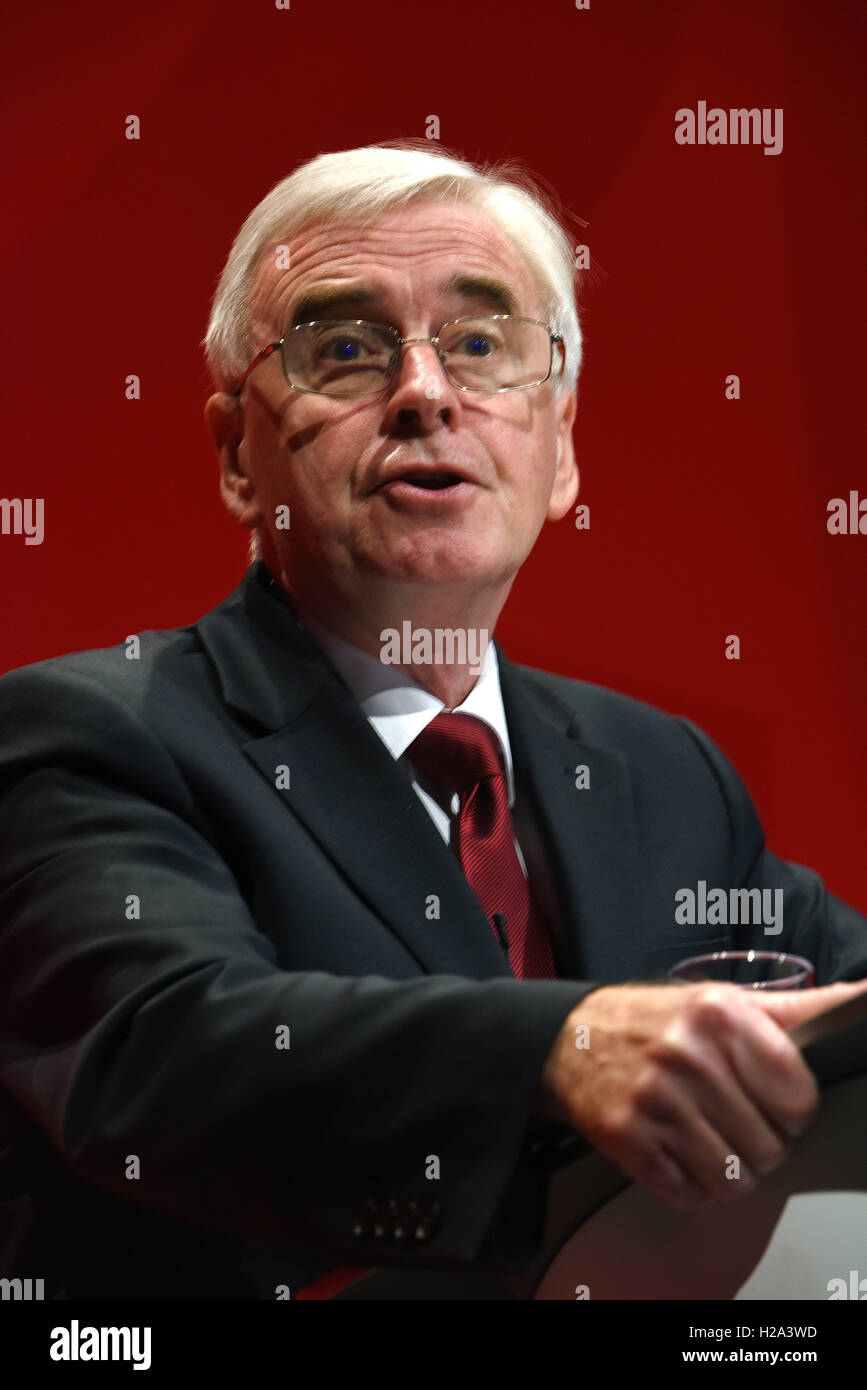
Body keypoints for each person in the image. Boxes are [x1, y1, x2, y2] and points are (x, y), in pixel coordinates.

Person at [1, 140, 865, 1301]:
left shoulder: (661, 774)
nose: (424, 392)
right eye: (345, 349)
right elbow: (170, 1053)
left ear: (560, 445)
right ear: (234, 458)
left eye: (478, 344)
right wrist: (562, 1050)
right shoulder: (91, 735)